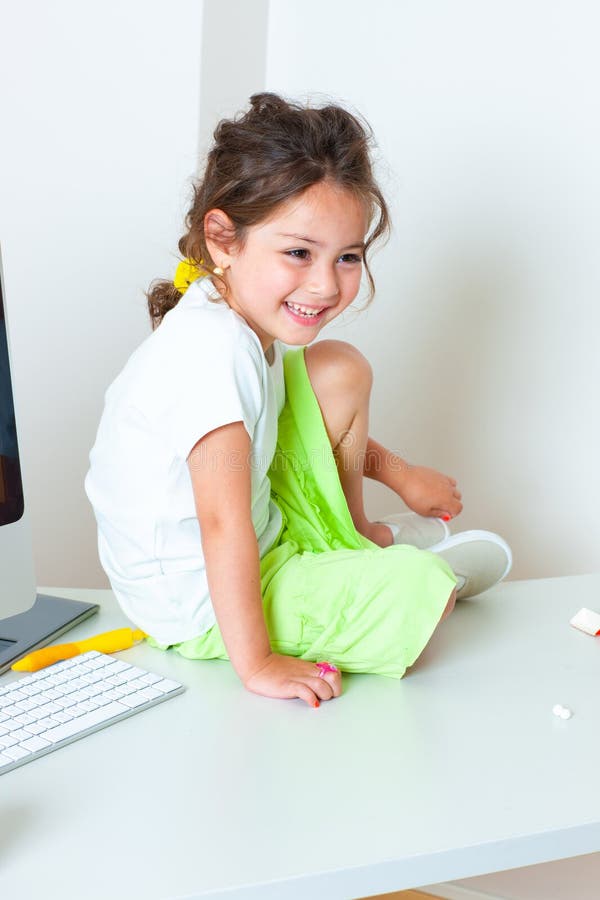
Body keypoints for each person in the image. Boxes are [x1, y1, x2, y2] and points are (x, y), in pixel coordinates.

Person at [85, 93, 511, 709]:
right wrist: (257, 663)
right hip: (200, 600)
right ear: (223, 239)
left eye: (347, 257)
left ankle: (359, 538)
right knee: (422, 588)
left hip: (260, 531)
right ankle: (401, 572)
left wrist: (402, 474)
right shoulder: (209, 355)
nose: (324, 284)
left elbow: (291, 432)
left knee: (338, 367)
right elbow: (221, 521)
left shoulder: (238, 320)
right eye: (298, 253)